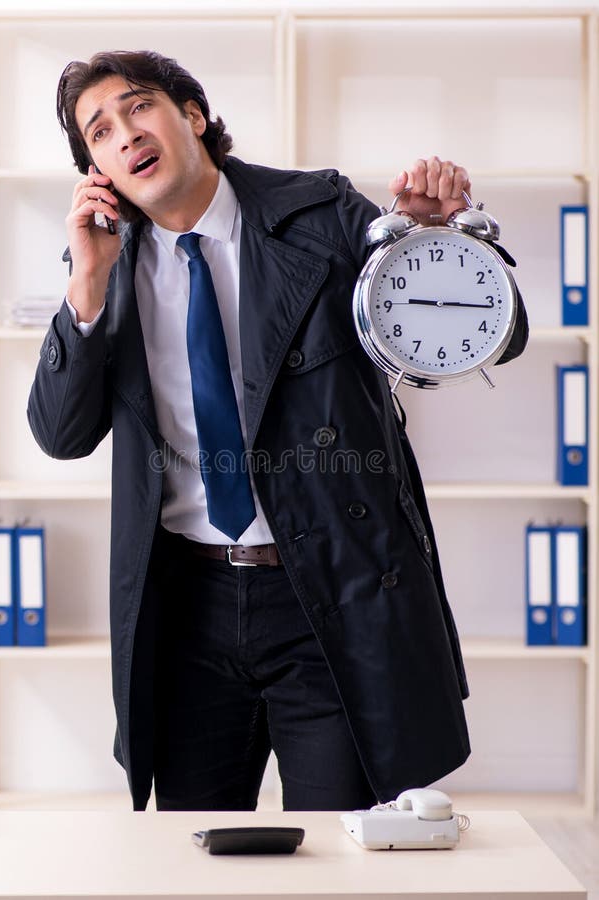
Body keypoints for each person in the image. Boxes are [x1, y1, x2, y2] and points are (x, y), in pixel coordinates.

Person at [28, 50, 528, 812]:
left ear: (191, 115)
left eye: (137, 107)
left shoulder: (323, 215)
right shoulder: (105, 263)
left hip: (328, 593)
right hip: (187, 607)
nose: (124, 133)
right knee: (203, 860)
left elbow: (491, 336)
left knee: (339, 854)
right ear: (96, 170)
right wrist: (86, 287)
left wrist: (441, 246)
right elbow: (61, 435)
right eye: (98, 131)